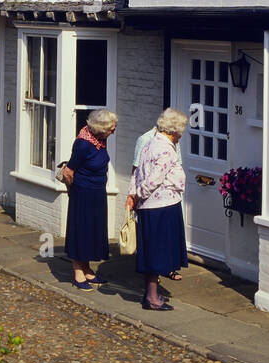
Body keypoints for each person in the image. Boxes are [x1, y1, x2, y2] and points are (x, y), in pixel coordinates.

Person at [128, 107, 190, 311]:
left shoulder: (150, 143)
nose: (181, 134)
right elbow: (154, 177)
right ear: (175, 129)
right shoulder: (165, 148)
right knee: (156, 252)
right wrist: (141, 194)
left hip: (152, 206)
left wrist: (137, 196)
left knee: (151, 251)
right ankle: (152, 298)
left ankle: (151, 294)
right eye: (181, 130)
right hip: (161, 206)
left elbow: (137, 173)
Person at [63, 108, 117, 290]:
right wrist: (73, 191)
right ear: (99, 128)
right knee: (82, 232)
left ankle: (87, 269)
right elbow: (69, 172)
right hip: (83, 194)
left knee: (93, 232)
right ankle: (78, 271)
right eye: (111, 128)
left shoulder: (100, 140)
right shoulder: (83, 144)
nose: (114, 130)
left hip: (97, 193)